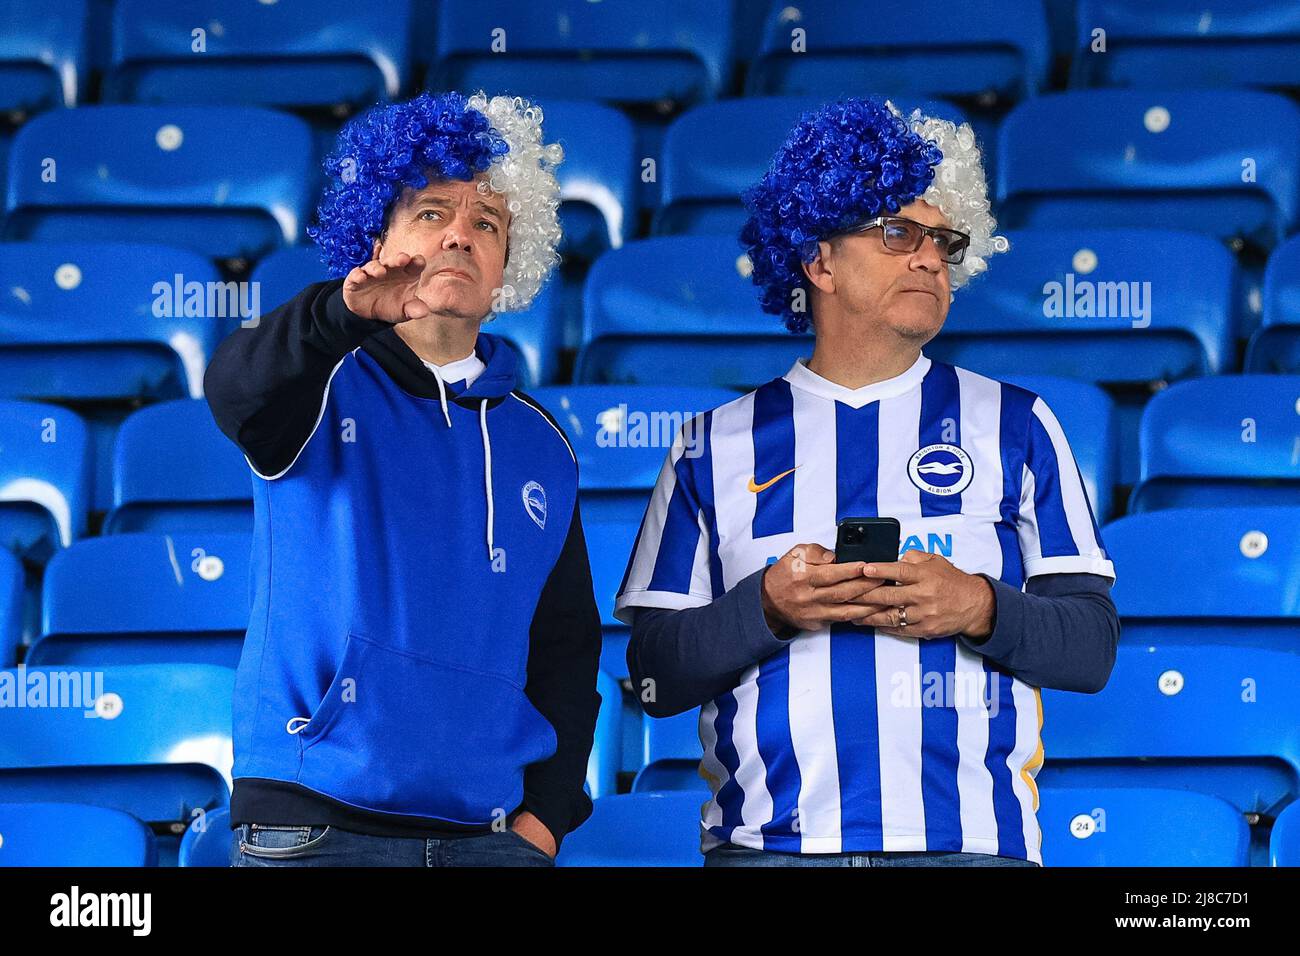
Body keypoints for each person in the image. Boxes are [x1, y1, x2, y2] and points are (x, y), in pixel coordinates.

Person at [617, 98, 1120, 867]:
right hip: (764, 852)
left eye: (943, 241)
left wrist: (979, 606)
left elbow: (1091, 652)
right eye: (897, 234)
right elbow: (654, 676)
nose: (928, 257)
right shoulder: (710, 445)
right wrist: (769, 608)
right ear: (818, 262)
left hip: (971, 850)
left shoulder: (1018, 423)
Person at [205, 91, 602, 867]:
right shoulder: (316, 379)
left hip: (487, 841)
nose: (459, 233)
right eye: (430, 212)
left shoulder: (544, 444)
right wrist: (338, 315)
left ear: (507, 271)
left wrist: (544, 822)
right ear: (377, 236)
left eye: (486, 222)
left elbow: (567, 648)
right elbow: (234, 392)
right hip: (313, 829)